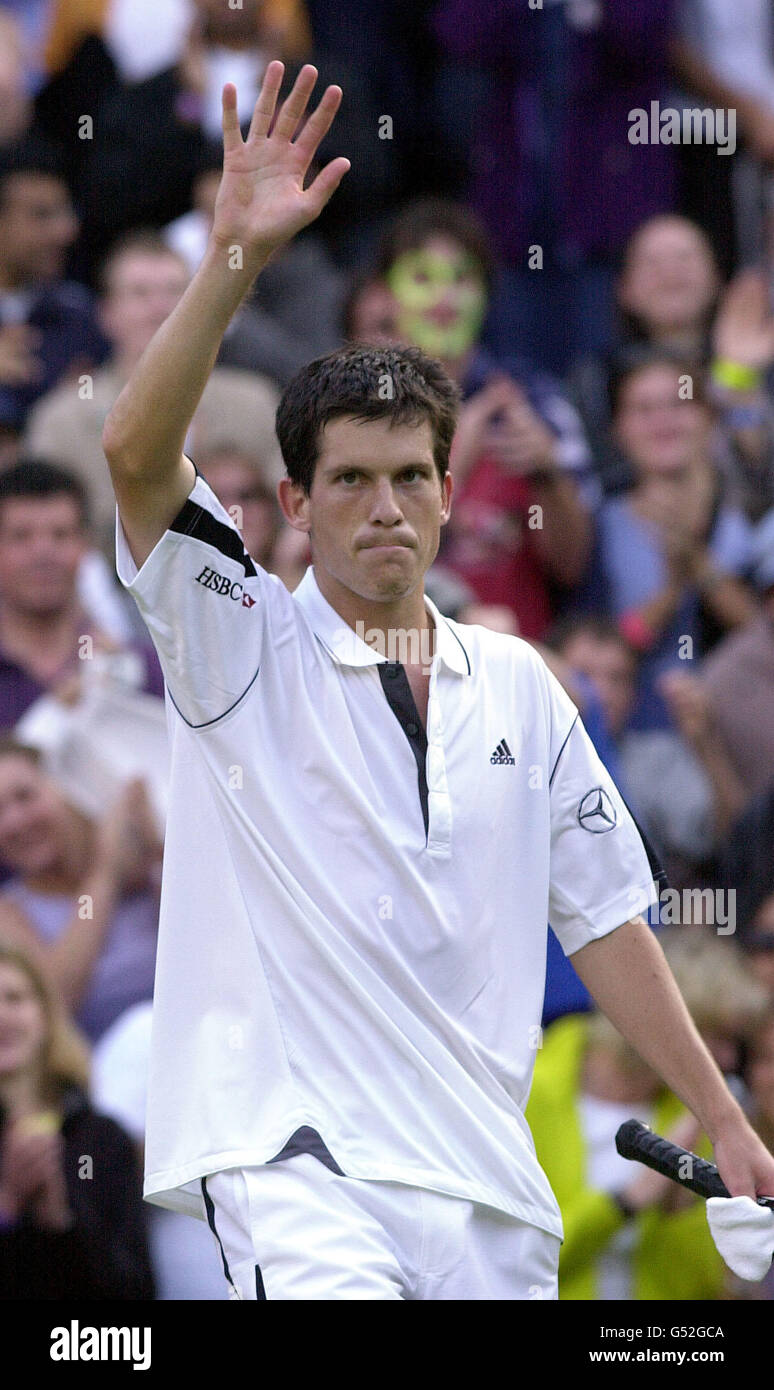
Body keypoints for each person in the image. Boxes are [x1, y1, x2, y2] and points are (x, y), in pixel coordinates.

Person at [102, 62, 774, 1302]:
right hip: (301, 1171)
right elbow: (137, 455)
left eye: (413, 477)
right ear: (293, 504)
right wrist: (235, 259)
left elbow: (610, 918)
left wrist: (723, 1114)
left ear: (452, 492)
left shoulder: (523, 681)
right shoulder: (235, 642)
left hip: (492, 1190)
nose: (387, 509)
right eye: (349, 482)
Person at [526, 927, 769, 1300]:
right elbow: (518, 1255)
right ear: (667, 1021)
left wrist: (680, 1211)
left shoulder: (702, 1117)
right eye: (713, 1035)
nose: (728, 1059)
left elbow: (712, 1278)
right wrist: (626, 1202)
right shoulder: (531, 1090)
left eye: (733, 1041)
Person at [0, 938, 155, 1298]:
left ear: (45, 1014)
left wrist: (61, 1222)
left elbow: (136, 1288)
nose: (2, 1016)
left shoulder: (99, 1138)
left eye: (15, 998)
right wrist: (6, 1208)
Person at [0, 741, 161, 1044]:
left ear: (64, 788)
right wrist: (104, 875)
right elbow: (54, 1003)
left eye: (25, 796)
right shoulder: (9, 913)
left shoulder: (139, 861)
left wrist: (159, 850)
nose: (14, 823)